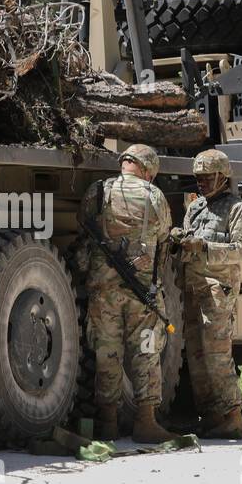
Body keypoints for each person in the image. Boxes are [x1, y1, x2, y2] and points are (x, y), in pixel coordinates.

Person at [79, 144, 182, 443]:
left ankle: (108, 423)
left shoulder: (97, 192)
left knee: (107, 352)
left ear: (125, 163)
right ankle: (146, 421)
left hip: (103, 290)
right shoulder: (154, 196)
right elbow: (163, 236)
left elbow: (84, 225)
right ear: (148, 170)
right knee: (147, 352)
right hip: (142, 293)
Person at [174, 149, 242, 438]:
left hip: (218, 291)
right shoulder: (195, 209)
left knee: (217, 354)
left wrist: (204, 248)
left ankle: (232, 415)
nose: (202, 183)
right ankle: (210, 415)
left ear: (223, 176)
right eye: (199, 178)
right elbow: (187, 241)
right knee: (196, 355)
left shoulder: (237, 209)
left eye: (208, 177)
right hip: (193, 289)